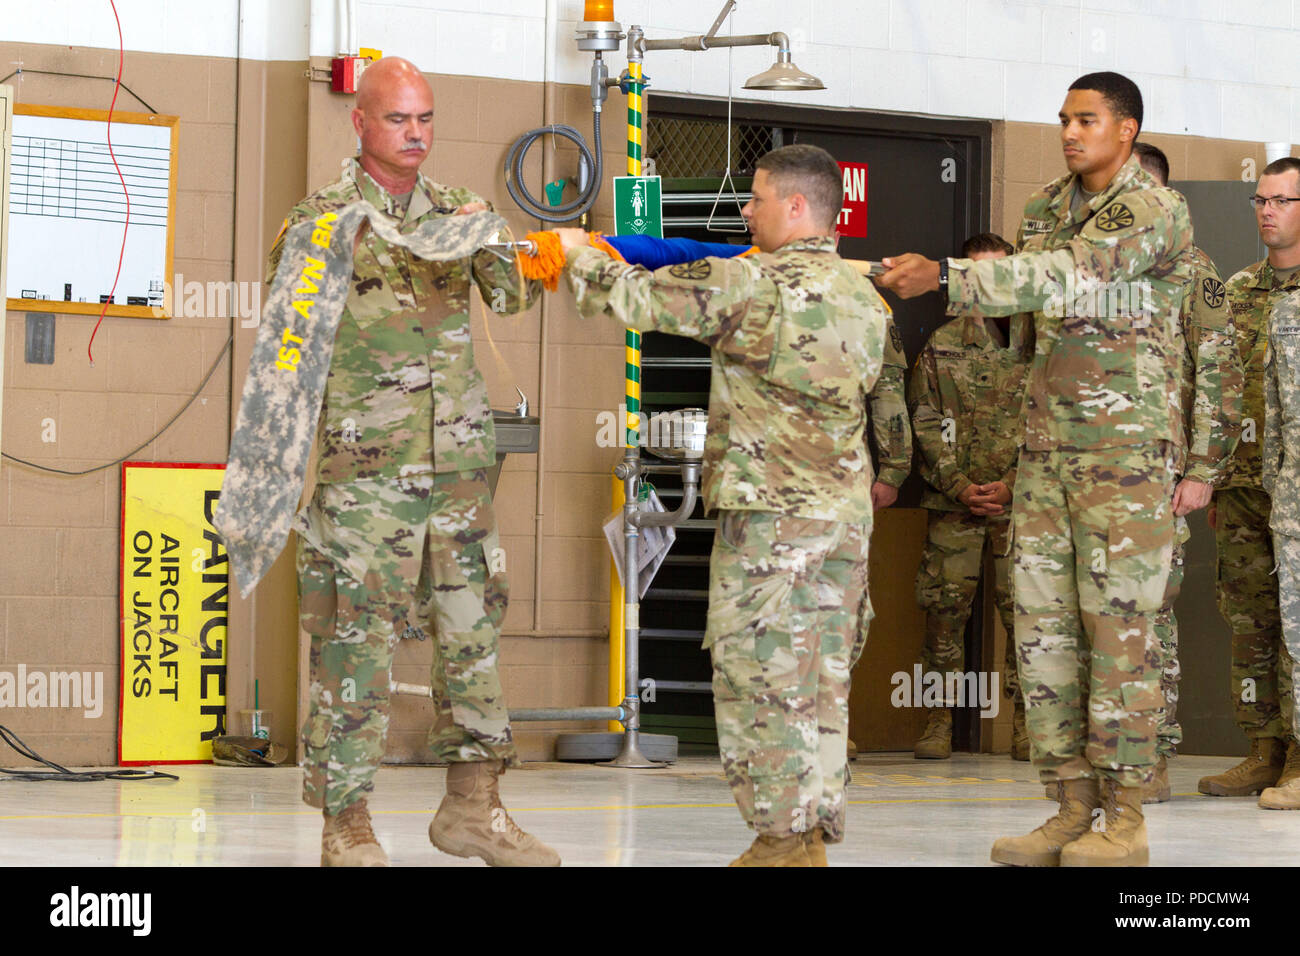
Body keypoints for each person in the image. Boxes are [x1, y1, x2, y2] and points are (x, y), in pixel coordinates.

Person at [878, 72, 1192, 866]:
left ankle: (1125, 819)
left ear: (1126, 129)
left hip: (1124, 455)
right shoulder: (1045, 206)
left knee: (1118, 636)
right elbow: (1033, 316)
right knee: (1044, 633)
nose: (1069, 132)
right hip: (1046, 452)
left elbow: (1063, 275)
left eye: (1087, 120)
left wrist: (950, 275)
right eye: (1062, 120)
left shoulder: (1152, 207)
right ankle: (1069, 806)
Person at [556, 143, 889, 866]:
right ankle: (809, 837)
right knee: (822, 684)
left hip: (771, 519)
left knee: (759, 678)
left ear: (796, 207)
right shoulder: (865, 295)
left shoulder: (750, 283)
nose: (746, 211)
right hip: (843, 523)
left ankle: (779, 840)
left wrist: (578, 252)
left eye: (758, 198)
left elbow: (637, 299)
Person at [266, 57, 557, 866]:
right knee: (354, 643)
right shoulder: (318, 221)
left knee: (472, 635)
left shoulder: (461, 210)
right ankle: (346, 820)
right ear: (359, 123)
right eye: (399, 120)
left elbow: (513, 296)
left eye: (426, 118)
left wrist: (525, 248)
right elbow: (286, 352)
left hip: (459, 466)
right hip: (366, 473)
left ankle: (474, 807)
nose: (417, 133)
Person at [1120, 142, 1243, 803]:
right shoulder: (1089, 268)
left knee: (1152, 611)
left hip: (1161, 475)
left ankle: (1154, 752)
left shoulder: (1198, 274)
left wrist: (1202, 468)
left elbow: (1221, 376)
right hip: (1090, 472)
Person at [907, 232, 1031, 761]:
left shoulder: (1039, 344)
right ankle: (939, 722)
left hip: (1022, 506)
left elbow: (1056, 421)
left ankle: (1029, 725)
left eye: (998, 273)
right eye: (976, 273)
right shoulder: (942, 343)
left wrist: (1014, 483)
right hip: (954, 504)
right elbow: (923, 418)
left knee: (1028, 617)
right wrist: (959, 484)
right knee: (943, 613)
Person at [1232, 156, 1300, 810]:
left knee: (1299, 623)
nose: (1267, 211)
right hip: (1242, 485)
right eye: (1260, 200)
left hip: (1296, 488)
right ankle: (1263, 748)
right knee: (1249, 620)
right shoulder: (1238, 290)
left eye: (1281, 200)